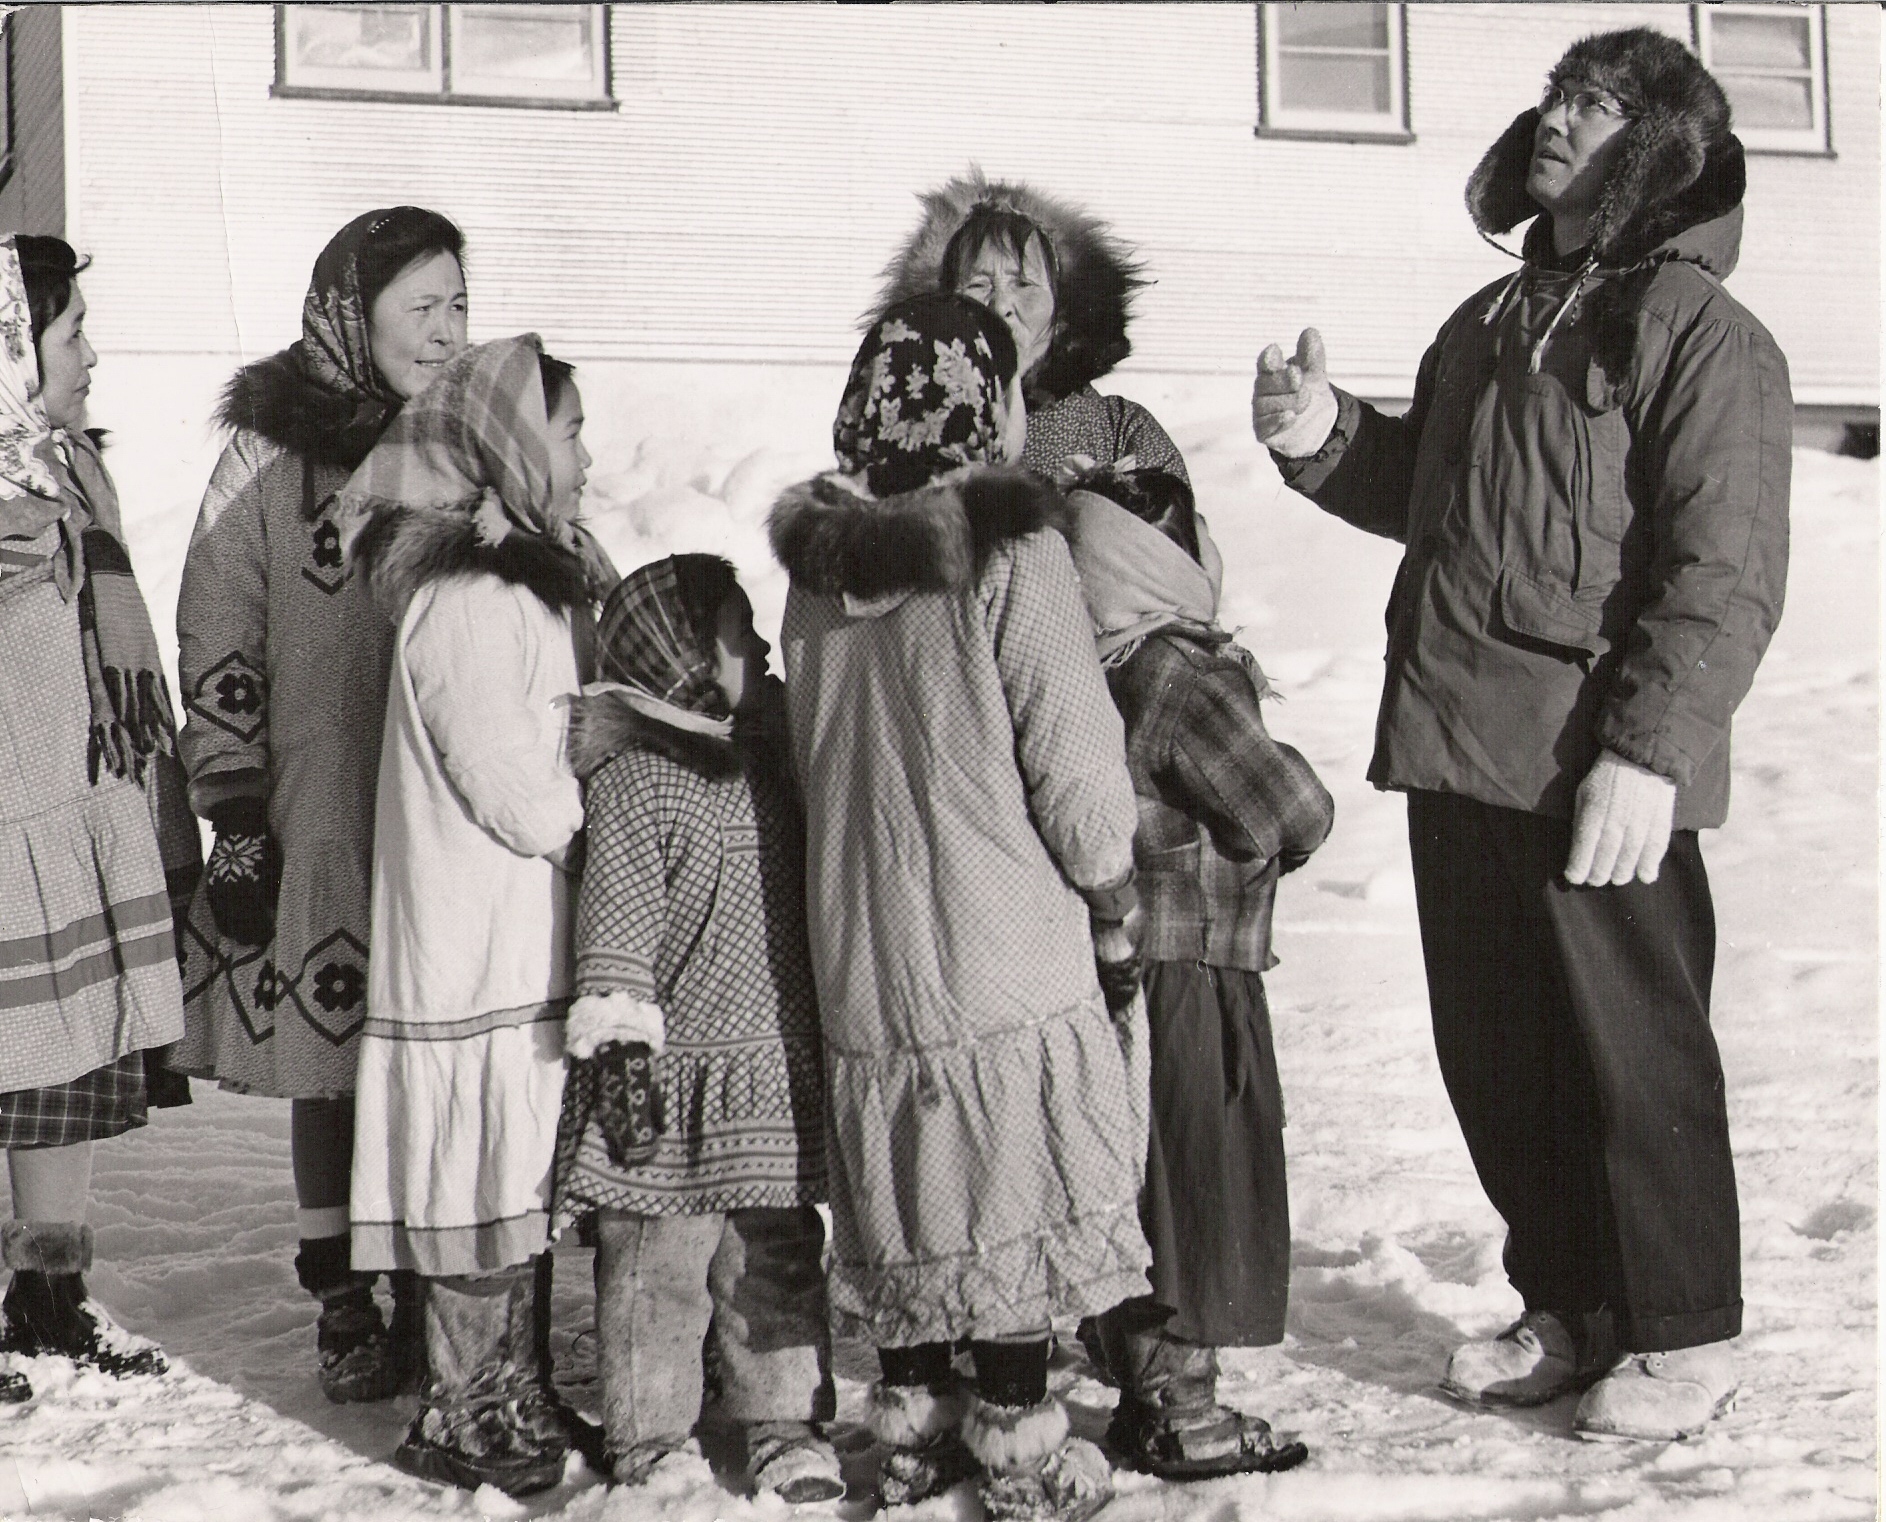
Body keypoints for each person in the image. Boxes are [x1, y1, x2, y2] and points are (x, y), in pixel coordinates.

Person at [1250, 28, 1789, 1443]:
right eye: (1555, 93)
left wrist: (1650, 753)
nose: (1556, 117)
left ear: (1657, 150)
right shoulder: (1488, 324)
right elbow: (1421, 493)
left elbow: (1719, 571)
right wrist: (1321, 437)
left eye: (1598, 104)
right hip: (1454, 742)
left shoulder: (1697, 334)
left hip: (1592, 762)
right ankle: (1569, 1305)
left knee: (1633, 1058)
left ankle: (1681, 1331)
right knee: (1498, 1053)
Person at [769, 293, 1150, 1522]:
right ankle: (1017, 1436)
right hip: (996, 929)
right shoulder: (1009, 550)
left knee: (918, 1183)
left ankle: (916, 1415)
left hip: (863, 939)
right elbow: (1072, 752)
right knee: (1007, 1193)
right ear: (984, 404)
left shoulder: (819, 573)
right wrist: (1107, 875)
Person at [172, 207, 468, 1402]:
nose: (447, 333)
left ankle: (445, 1286)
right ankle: (344, 1294)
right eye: (422, 309)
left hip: (447, 805)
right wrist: (234, 805)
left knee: (442, 1050)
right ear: (354, 314)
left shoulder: (467, 440)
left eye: (458, 303)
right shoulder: (267, 459)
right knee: (330, 1053)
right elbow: (218, 619)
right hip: (322, 799)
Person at [340, 335, 615, 1496]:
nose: (586, 456)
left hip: (511, 953)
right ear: (504, 446)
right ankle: (466, 1400)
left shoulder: (524, 581)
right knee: (476, 1184)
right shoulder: (463, 597)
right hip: (470, 955)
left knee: (512, 1191)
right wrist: (588, 810)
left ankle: (514, 1380)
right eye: (566, 429)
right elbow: (504, 777)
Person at [551, 555, 841, 1501]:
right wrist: (621, 1045)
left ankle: (784, 1421)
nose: (757, 644)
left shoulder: (770, 756)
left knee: (775, 1259)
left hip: (770, 1067)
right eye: (736, 628)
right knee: (654, 1276)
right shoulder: (640, 778)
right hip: (669, 1080)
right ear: (679, 651)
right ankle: (649, 1436)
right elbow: (618, 920)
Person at [1060, 463, 1329, 1479]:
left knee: (1137, 1180)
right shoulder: (1181, 670)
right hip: (1195, 972)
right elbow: (1288, 809)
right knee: (1196, 1180)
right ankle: (1181, 1404)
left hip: (1114, 964)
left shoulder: (1087, 659)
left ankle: (1136, 1379)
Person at [0, 234, 196, 1398]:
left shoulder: (68, 474)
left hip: (72, 816)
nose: (91, 355)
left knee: (55, 1073)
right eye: (71, 334)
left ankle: (48, 1295)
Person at [874, 170, 1189, 483]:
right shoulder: (904, 431)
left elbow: (1179, 529)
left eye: (1024, 283)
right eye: (977, 286)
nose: (1000, 307)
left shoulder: (1123, 430)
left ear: (1064, 311)